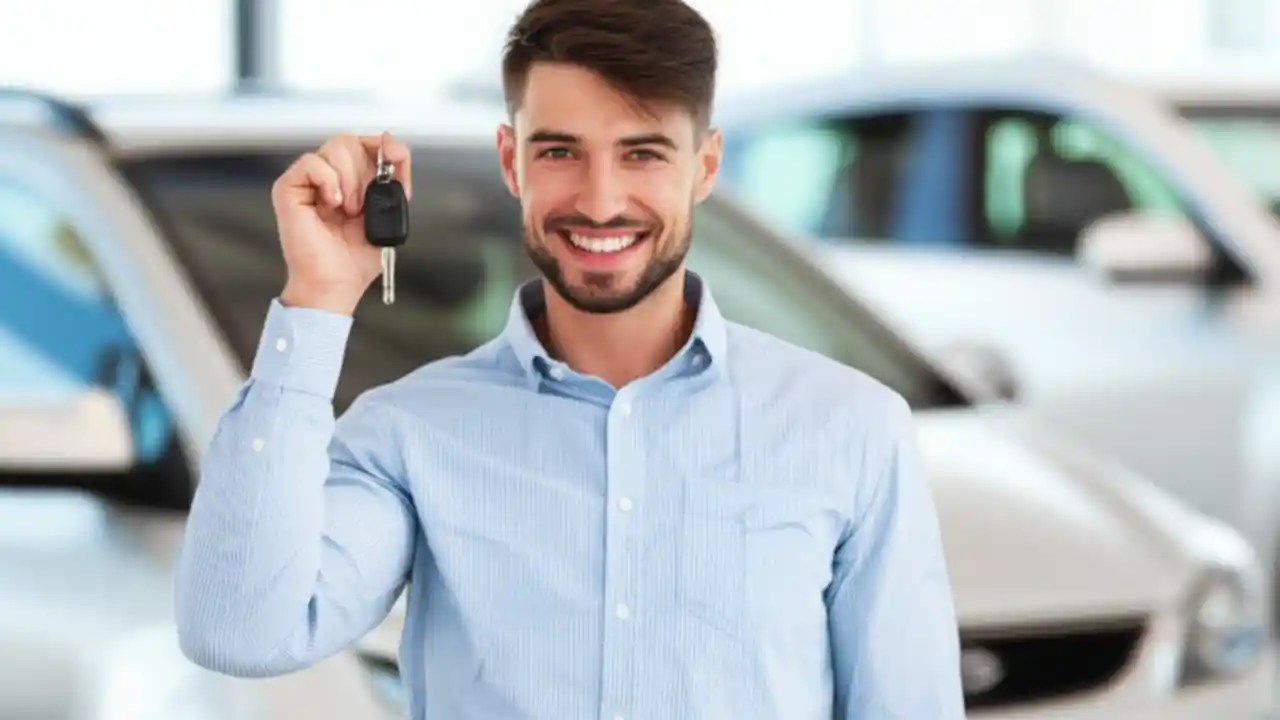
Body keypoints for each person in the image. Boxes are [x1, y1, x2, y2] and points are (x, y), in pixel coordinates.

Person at [173, 0, 964, 717]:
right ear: (512, 162)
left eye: (643, 153)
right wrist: (315, 300)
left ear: (706, 167)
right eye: (560, 152)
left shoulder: (853, 429)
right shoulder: (409, 435)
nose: (599, 198)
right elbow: (241, 630)